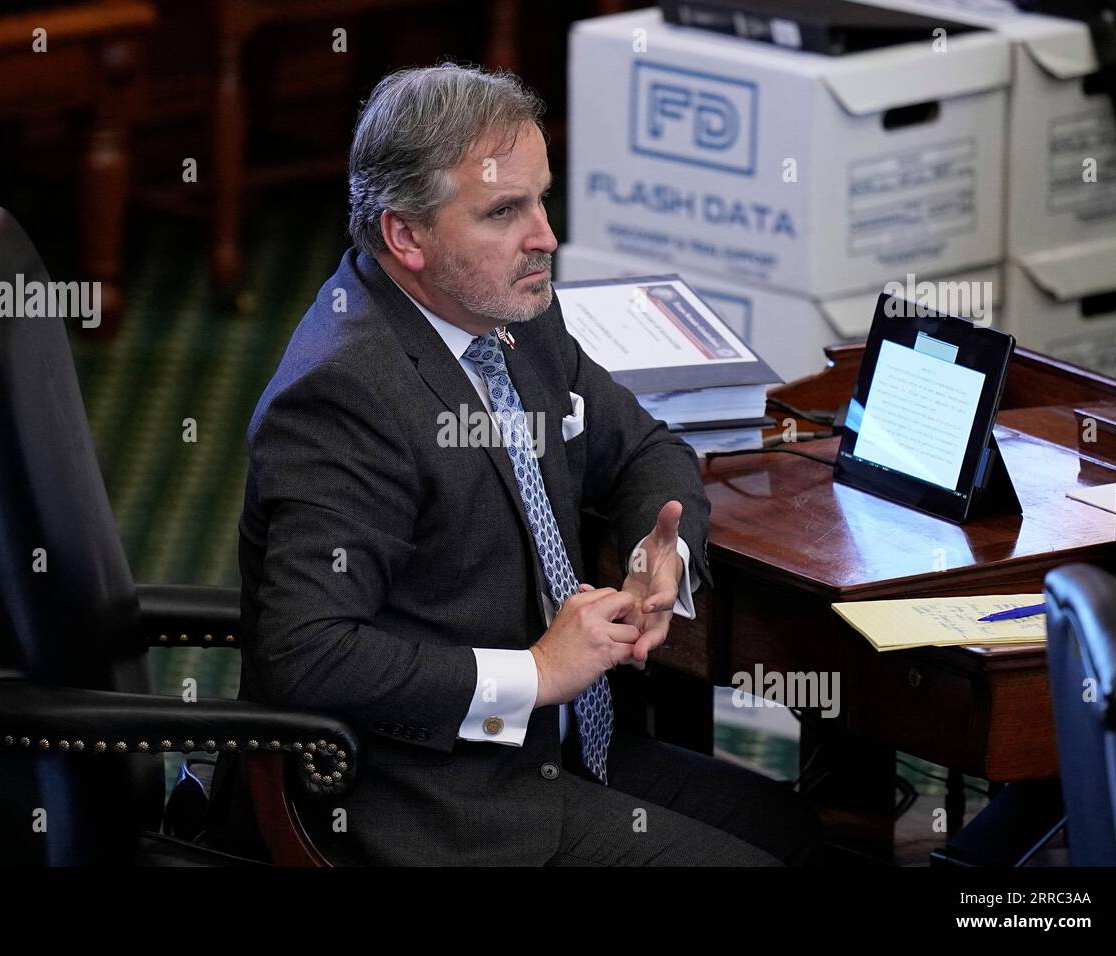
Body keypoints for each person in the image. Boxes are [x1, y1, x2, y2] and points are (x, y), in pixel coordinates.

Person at [209, 63, 821, 866]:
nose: (545, 237)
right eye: (504, 212)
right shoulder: (345, 397)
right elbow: (305, 652)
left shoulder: (514, 312)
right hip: (423, 799)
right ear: (405, 235)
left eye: (541, 198)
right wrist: (533, 672)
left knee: (797, 835)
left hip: (550, 748)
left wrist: (657, 555)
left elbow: (644, 447)